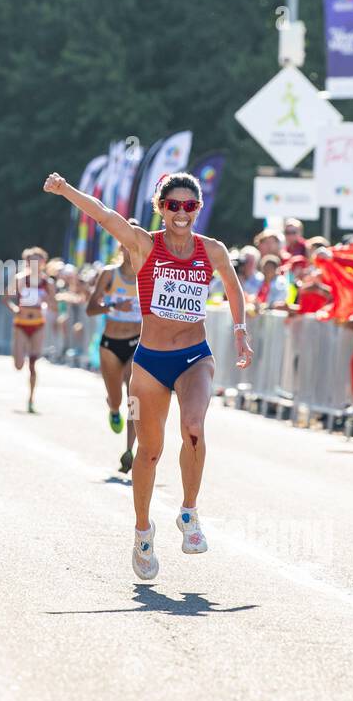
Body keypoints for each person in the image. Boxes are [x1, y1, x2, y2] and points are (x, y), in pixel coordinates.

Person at [45, 170, 252, 581]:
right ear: (161, 207)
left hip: (195, 356)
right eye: (172, 205)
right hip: (151, 361)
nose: (180, 213)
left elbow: (232, 287)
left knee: (193, 426)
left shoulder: (212, 250)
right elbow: (105, 215)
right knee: (150, 451)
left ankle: (189, 512)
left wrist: (241, 331)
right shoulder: (144, 244)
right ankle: (143, 530)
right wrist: (66, 190)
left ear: (198, 209)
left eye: (189, 206)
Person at [86, 223, 143, 473]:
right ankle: (112, 409)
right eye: (127, 243)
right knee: (117, 398)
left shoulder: (147, 276)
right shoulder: (109, 274)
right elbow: (90, 309)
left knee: (135, 396)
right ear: (121, 246)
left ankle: (129, 450)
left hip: (136, 343)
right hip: (110, 343)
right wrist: (112, 307)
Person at [2, 246, 53, 413]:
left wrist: (47, 301)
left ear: (43, 263)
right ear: (27, 263)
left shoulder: (47, 283)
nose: (36, 263)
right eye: (32, 260)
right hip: (21, 323)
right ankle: (18, 352)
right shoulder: (20, 279)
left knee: (32, 364)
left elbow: (55, 305)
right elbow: (6, 298)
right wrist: (14, 309)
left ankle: (31, 399)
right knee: (18, 365)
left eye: (39, 260)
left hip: (38, 324)